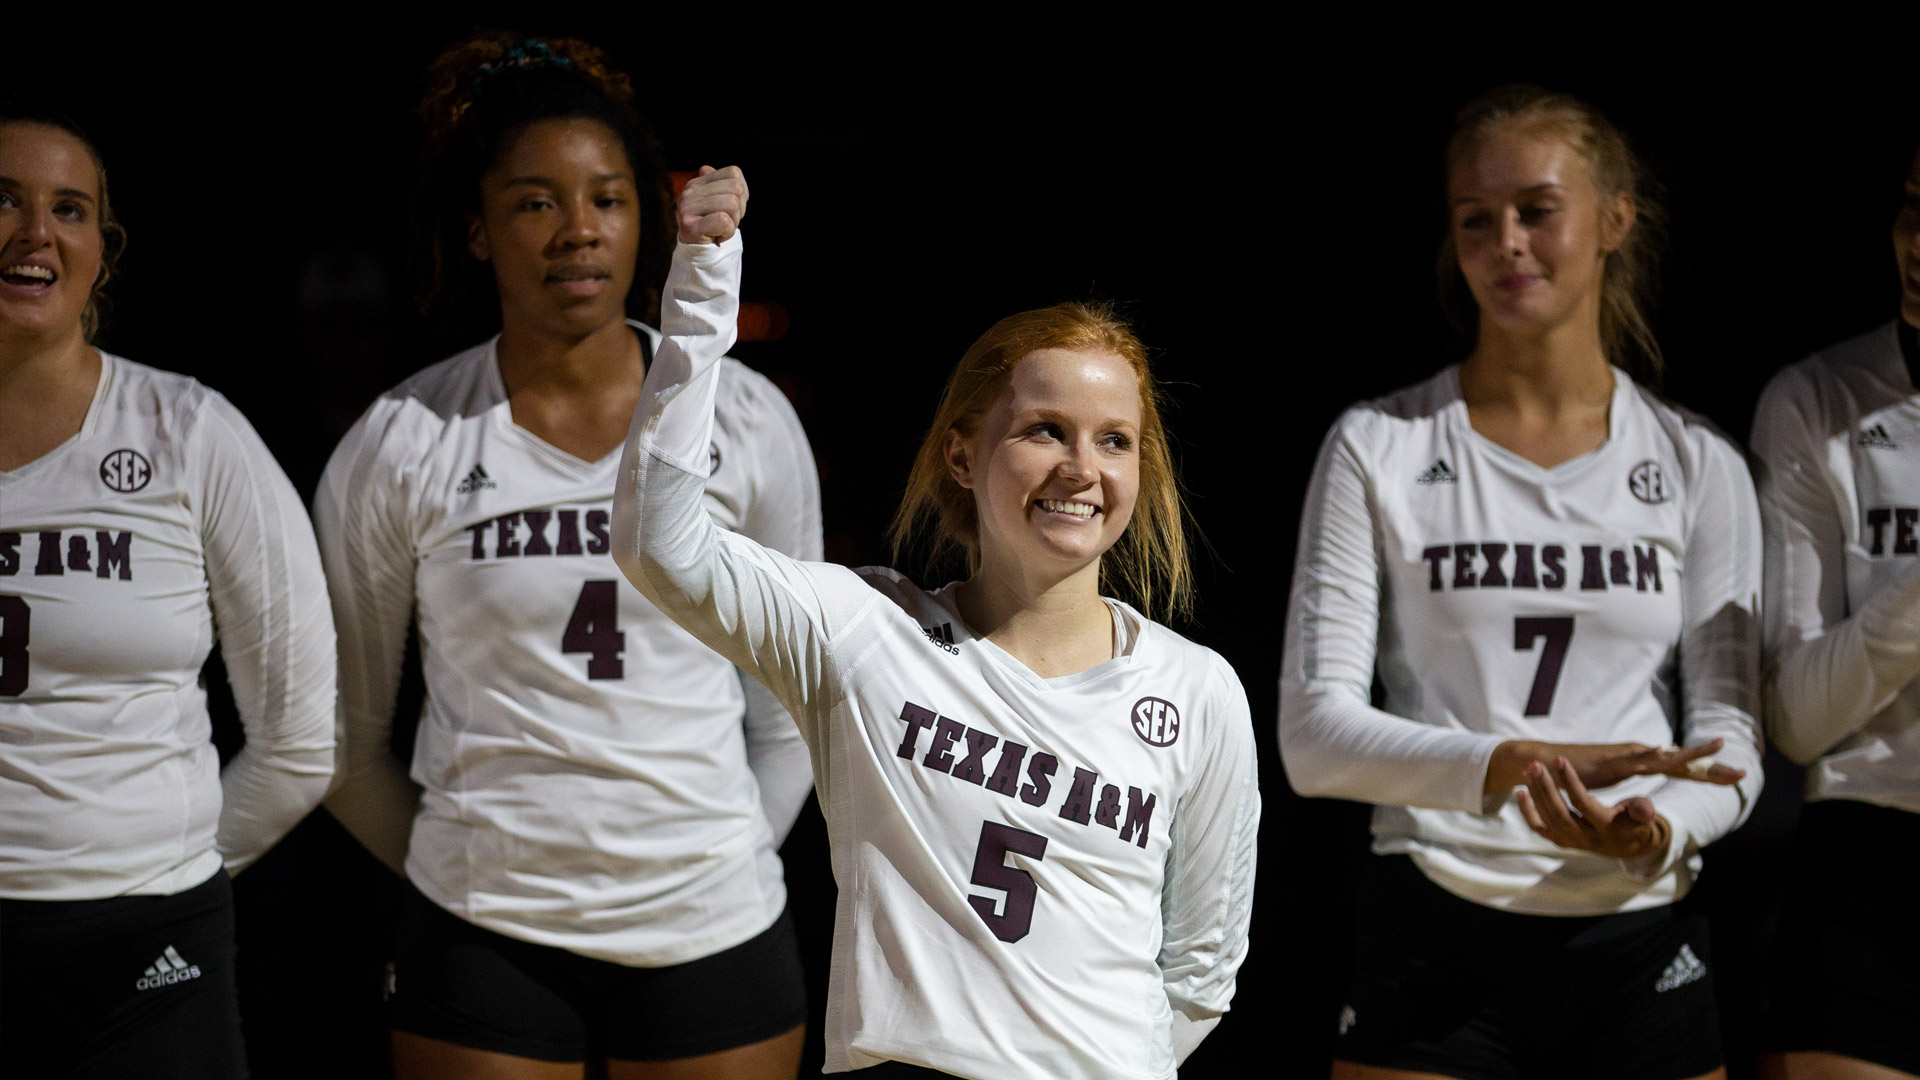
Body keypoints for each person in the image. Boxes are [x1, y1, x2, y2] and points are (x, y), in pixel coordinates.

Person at [612, 165, 1258, 1080]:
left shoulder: (1198, 690)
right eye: (1044, 429)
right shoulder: (865, 628)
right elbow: (660, 546)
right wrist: (703, 296)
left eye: (1114, 439)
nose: (1082, 467)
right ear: (963, 452)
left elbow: (1199, 971)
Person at [316, 33, 819, 1080]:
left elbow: (798, 708)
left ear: (648, 221)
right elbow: (343, 742)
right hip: (483, 933)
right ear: (481, 232)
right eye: (536, 202)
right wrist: (470, 868)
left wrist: (721, 861)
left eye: (608, 199)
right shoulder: (403, 439)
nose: (576, 232)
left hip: (712, 930)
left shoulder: (753, 424)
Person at [1278, 84, 1763, 1080]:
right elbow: (1311, 738)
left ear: (1614, 218)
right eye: (1476, 219)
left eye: (1537, 209)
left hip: (1638, 934)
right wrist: (1531, 764)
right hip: (1433, 927)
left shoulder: (1696, 461)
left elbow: (1735, 745)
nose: (1507, 240)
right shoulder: (1380, 444)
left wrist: (1652, 833)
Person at [0, 103, 337, 1079]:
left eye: (68, 210)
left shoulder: (190, 430)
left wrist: (162, 869)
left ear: (100, 253)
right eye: (6, 200)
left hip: (148, 954)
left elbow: (303, 741)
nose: (34, 232)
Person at [1750, 140, 1920, 1080]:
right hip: (1870, 859)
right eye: (1910, 202)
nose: (1919, 240)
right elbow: (1801, 722)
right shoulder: (1818, 401)